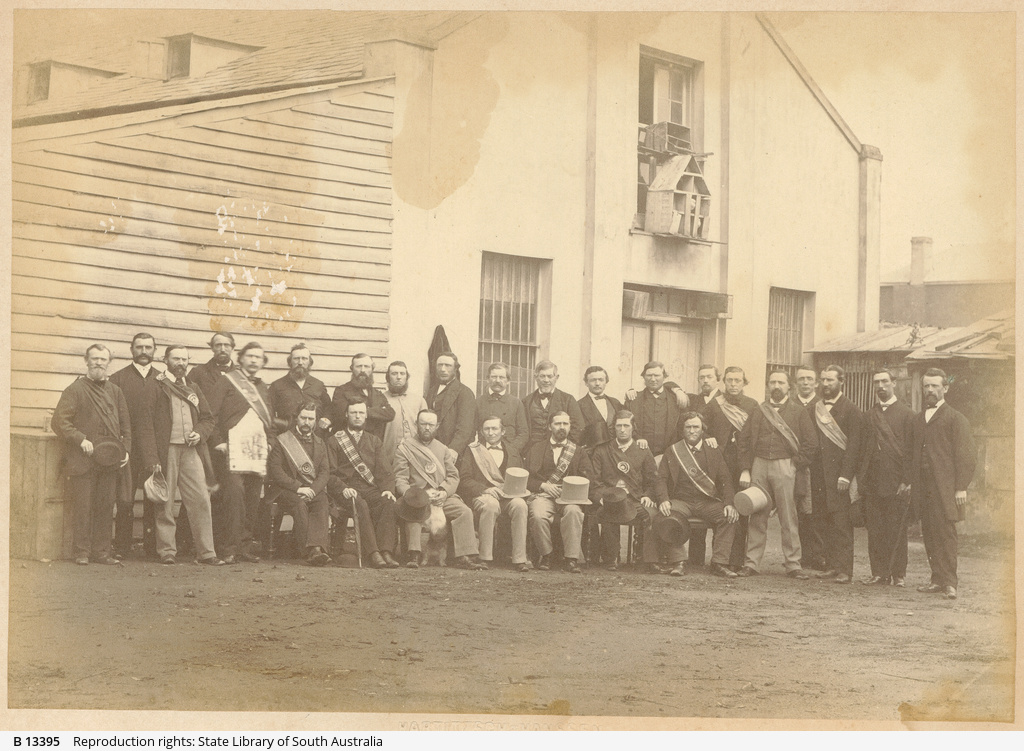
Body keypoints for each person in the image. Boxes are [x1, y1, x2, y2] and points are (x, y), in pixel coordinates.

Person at [51, 344, 132, 565]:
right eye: (94, 358)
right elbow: (59, 422)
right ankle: (82, 552)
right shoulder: (75, 390)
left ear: (108, 363)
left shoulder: (115, 391)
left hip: (110, 459)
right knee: (83, 507)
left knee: (106, 506)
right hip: (83, 459)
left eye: (102, 359)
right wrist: (80, 439)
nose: (98, 363)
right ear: (86, 360)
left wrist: (126, 451)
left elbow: (126, 426)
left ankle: (102, 552)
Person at [206, 341, 285, 563]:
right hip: (230, 450)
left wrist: (269, 443)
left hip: (257, 451)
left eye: (258, 357)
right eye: (249, 356)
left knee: (252, 498)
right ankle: (228, 548)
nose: (253, 360)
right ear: (240, 358)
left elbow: (269, 422)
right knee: (234, 496)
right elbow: (210, 415)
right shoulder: (226, 381)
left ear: (262, 362)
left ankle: (244, 547)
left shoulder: (263, 389)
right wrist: (218, 441)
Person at [145, 345, 224, 566]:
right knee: (165, 502)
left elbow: (208, 419)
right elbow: (146, 425)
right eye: (176, 359)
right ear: (165, 360)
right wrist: (152, 458)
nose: (180, 363)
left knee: (201, 499)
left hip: (191, 452)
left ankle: (206, 552)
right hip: (166, 451)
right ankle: (167, 551)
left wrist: (199, 433)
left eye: (184, 359)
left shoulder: (193, 387)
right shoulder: (155, 386)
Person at [737, 370, 818, 579]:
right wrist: (746, 468)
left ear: (788, 387)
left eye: (781, 382)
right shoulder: (758, 411)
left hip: (785, 466)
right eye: (772, 382)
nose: (776, 386)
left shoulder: (798, 412)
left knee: (788, 516)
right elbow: (744, 440)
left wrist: (794, 464)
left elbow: (811, 444)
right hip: (759, 465)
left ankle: (793, 564)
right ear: (767, 386)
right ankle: (752, 563)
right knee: (757, 515)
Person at [904, 368, 976, 600]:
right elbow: (911, 453)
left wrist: (961, 486)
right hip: (922, 487)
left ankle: (950, 583)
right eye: (927, 386)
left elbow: (966, 455)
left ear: (945, 388)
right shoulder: (917, 419)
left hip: (944, 488)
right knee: (929, 533)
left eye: (935, 386)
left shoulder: (956, 418)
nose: (930, 390)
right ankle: (936, 579)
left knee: (945, 534)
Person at [395, 409, 485, 569]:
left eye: (431, 424)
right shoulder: (405, 448)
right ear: (416, 425)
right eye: (423, 424)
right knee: (411, 509)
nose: (427, 428)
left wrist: (444, 491)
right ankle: (414, 555)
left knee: (464, 511)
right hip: (417, 496)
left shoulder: (443, 449)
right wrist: (412, 495)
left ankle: (464, 556)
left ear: (437, 426)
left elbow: (453, 476)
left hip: (441, 497)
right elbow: (400, 478)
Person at [657, 412, 739, 578]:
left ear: (703, 430)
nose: (692, 431)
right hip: (682, 501)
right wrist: (664, 500)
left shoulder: (713, 451)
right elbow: (661, 479)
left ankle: (719, 563)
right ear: (682, 429)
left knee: (729, 516)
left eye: (696, 427)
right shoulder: (673, 451)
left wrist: (729, 503)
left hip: (706, 502)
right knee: (669, 515)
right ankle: (678, 562)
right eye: (688, 427)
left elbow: (725, 480)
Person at [857, 368, 915, 587]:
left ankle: (898, 574)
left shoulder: (908, 414)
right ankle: (879, 573)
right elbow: (863, 450)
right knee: (875, 530)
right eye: (876, 383)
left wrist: (907, 480)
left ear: (894, 384)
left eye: (884, 381)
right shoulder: (869, 415)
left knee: (896, 529)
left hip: (896, 482)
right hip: (873, 482)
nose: (880, 386)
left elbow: (911, 451)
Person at [327, 400, 401, 568]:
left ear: (366, 415)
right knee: (359, 504)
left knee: (388, 502)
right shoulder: (334, 441)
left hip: (369, 488)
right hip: (345, 490)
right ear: (346, 415)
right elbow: (329, 473)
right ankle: (373, 553)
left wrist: (388, 490)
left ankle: (386, 551)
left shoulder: (374, 441)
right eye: (353, 413)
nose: (357, 416)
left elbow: (385, 471)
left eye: (361, 413)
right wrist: (343, 488)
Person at [108, 332, 160, 560]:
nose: (144, 352)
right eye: (139, 347)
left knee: (153, 499)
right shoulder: (118, 379)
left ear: (154, 351)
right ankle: (121, 548)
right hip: (127, 449)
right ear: (131, 350)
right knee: (125, 499)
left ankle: (151, 548)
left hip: (153, 450)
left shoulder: (162, 379)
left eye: (148, 347)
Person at [523, 411, 596, 573]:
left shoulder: (578, 452)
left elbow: (589, 479)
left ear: (570, 427)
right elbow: (526, 478)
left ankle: (571, 559)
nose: (561, 427)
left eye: (565, 424)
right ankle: (546, 555)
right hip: (544, 495)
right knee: (537, 514)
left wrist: (571, 489)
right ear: (550, 427)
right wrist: (543, 485)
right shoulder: (536, 448)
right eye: (557, 424)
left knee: (574, 512)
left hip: (569, 498)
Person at [809, 366, 862, 584]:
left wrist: (846, 475)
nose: (825, 384)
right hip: (819, 475)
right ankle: (831, 565)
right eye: (823, 380)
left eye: (830, 380)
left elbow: (854, 447)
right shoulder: (816, 408)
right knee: (825, 522)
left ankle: (844, 570)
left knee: (841, 524)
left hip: (840, 477)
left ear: (842, 381)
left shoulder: (851, 410)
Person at [702, 366, 759, 570]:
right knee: (720, 510)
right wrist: (709, 440)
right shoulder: (714, 406)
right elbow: (701, 430)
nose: (733, 384)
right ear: (723, 382)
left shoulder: (753, 406)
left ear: (744, 382)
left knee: (741, 512)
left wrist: (747, 469)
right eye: (730, 380)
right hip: (718, 465)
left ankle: (735, 560)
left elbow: (755, 440)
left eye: (737, 380)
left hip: (741, 467)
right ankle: (719, 559)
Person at [589, 410, 660, 571]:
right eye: (618, 425)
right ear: (613, 428)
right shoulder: (602, 450)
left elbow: (653, 479)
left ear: (633, 428)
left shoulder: (642, 450)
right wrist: (601, 496)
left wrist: (648, 495)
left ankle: (644, 557)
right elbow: (595, 480)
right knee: (608, 512)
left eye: (626, 426)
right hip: (610, 498)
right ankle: (611, 556)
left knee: (651, 514)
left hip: (635, 499)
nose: (622, 429)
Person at [458, 416, 529, 571]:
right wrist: (486, 489)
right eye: (486, 429)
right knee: (490, 505)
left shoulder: (513, 451)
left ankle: (519, 559)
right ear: (482, 432)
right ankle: (485, 558)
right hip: (482, 495)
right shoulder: (472, 450)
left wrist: (513, 491)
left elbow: (521, 476)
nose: (490, 433)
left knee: (520, 505)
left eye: (494, 428)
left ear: (503, 431)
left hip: (507, 496)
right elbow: (464, 479)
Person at [266, 402, 332, 566]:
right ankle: (309, 551)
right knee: (299, 503)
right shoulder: (283, 440)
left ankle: (317, 548)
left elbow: (325, 472)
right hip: (286, 489)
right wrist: (298, 487)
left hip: (311, 489)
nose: (306, 422)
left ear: (315, 421)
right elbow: (276, 470)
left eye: (311, 419)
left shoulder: (320, 443)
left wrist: (313, 489)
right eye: (303, 418)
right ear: (296, 419)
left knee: (322, 501)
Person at [791, 365, 826, 572]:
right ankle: (802, 555)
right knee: (798, 512)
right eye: (801, 379)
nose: (805, 382)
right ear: (795, 383)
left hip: (817, 467)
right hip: (794, 465)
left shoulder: (821, 405)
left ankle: (819, 554)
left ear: (816, 383)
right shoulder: (790, 405)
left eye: (809, 379)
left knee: (817, 512)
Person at [624, 361, 684, 460]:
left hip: (670, 456)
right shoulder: (633, 401)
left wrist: (678, 390)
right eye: (649, 375)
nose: (653, 379)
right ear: (643, 377)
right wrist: (638, 439)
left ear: (664, 377)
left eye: (657, 375)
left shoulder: (677, 400)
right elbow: (627, 426)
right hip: (640, 455)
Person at [269, 343, 333, 435]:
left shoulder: (318, 385)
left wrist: (327, 418)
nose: (300, 362)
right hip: (288, 438)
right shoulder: (277, 386)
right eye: (296, 358)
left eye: (304, 358)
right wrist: (284, 425)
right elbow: (268, 414)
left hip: (316, 438)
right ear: (290, 362)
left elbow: (329, 407)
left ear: (310, 362)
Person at [330, 354, 395, 441]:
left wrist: (363, 411)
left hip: (373, 445)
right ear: (352, 368)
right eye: (359, 366)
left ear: (372, 369)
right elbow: (342, 415)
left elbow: (390, 414)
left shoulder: (378, 394)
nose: (363, 370)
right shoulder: (341, 391)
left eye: (367, 366)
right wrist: (377, 411)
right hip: (350, 443)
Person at [522, 360, 585, 448]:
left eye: (550, 376)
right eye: (542, 376)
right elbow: (522, 431)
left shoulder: (568, 400)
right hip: (533, 453)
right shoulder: (526, 401)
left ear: (556, 377)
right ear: (536, 377)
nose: (546, 380)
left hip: (561, 450)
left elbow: (578, 429)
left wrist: (565, 449)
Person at [425, 352, 477, 457]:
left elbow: (465, 428)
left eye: (448, 365)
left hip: (453, 452)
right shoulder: (431, 391)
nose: (443, 369)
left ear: (455, 369)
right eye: (440, 365)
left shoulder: (464, 393)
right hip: (431, 449)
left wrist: (454, 449)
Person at [475, 362, 529, 454]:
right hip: (484, 453)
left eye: (502, 377)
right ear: (487, 379)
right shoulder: (478, 402)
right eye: (494, 377)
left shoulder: (516, 403)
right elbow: (471, 432)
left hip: (510, 453)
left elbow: (523, 433)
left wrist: (510, 451)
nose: (497, 380)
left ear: (508, 381)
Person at [381, 361, 428, 465]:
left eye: (402, 374)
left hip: (416, 455)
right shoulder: (380, 399)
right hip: (389, 457)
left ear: (407, 377)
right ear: (388, 377)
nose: (399, 377)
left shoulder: (419, 401)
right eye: (394, 374)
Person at [576, 366, 623, 452]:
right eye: (593, 380)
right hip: (592, 455)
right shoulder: (578, 405)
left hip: (616, 453)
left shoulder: (615, 403)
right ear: (586, 383)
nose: (597, 383)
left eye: (601, 380)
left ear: (606, 382)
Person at [188, 332, 237, 398]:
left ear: (233, 348)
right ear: (212, 348)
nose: (222, 349)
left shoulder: (240, 374)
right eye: (218, 345)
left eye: (226, 345)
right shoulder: (197, 372)